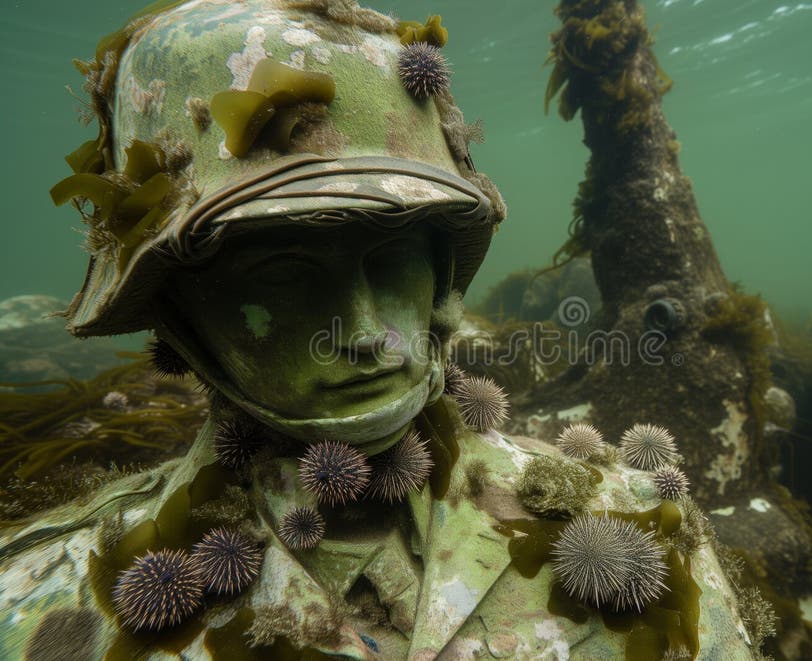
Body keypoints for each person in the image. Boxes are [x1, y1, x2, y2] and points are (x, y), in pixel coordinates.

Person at [0, 1, 756, 659]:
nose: (363, 333)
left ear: (442, 285)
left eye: (392, 260)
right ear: (180, 312)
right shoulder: (38, 602)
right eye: (284, 273)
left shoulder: (638, 522)